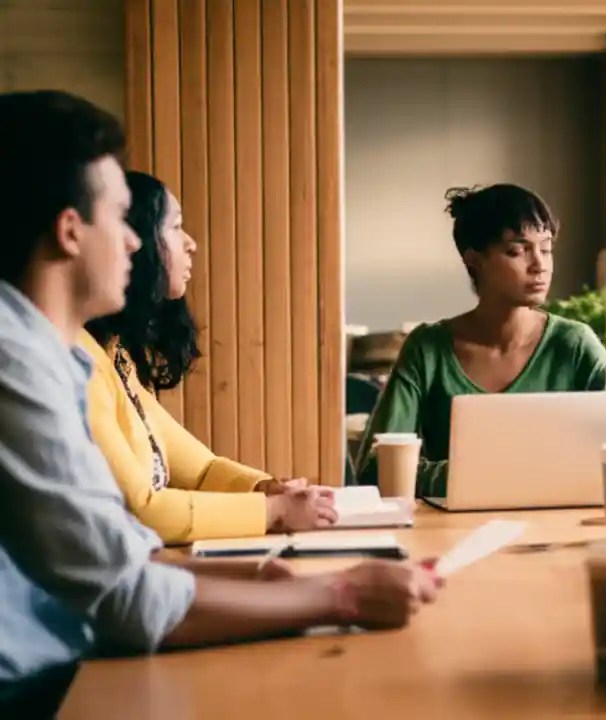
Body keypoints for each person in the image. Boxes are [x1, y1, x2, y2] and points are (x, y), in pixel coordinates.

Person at [0, 90, 439, 715]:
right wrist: (338, 596)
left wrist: (257, 578)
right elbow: (126, 598)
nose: (133, 243)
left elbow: (124, 557)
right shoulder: (14, 360)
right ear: (71, 231)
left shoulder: (52, 355)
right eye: (121, 219)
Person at [354, 184, 606, 498]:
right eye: (517, 250)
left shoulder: (575, 345)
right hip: (450, 534)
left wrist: (486, 474)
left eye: (546, 248)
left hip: (559, 531)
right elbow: (376, 469)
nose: (539, 264)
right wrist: (501, 474)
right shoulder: (427, 350)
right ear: (474, 260)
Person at [81, 171, 334, 544]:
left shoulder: (112, 352)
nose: (191, 244)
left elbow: (201, 470)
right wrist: (275, 512)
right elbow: (141, 510)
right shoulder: (79, 356)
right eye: (176, 227)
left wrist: (265, 489)